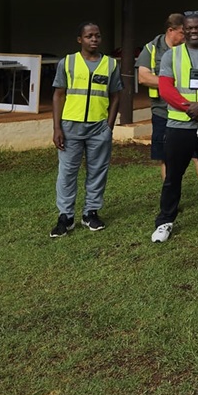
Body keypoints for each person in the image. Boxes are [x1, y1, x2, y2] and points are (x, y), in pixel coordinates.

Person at [151, 11, 198, 243]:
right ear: (183, 30)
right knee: (173, 175)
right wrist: (190, 109)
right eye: (189, 28)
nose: (194, 31)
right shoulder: (171, 56)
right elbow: (166, 89)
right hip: (179, 126)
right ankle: (165, 220)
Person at [50, 22, 122, 237]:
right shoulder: (68, 62)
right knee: (67, 172)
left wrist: (108, 126)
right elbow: (58, 95)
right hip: (70, 127)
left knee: (98, 171)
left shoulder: (110, 64)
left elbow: (116, 95)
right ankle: (66, 216)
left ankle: (91, 212)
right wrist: (57, 128)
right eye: (89, 36)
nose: (94, 39)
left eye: (97, 36)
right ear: (80, 39)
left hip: (98, 127)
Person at [136, 13, 186, 180]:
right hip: (162, 111)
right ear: (170, 30)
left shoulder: (190, 48)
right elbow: (143, 77)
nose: (186, 36)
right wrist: (173, 83)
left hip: (189, 110)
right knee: (167, 157)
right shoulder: (151, 48)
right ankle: (170, 202)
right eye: (182, 32)